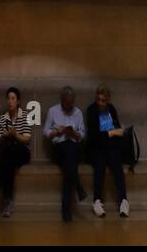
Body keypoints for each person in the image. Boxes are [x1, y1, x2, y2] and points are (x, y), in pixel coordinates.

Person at [86, 85, 130, 217]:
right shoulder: (92, 110)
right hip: (96, 148)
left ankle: (123, 200)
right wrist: (113, 132)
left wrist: (116, 130)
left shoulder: (110, 109)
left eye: (103, 100)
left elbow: (110, 130)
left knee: (117, 166)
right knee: (100, 165)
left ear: (108, 100)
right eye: (99, 100)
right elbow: (96, 136)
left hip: (110, 147)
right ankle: (97, 200)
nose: (101, 103)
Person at [44, 86, 87, 221]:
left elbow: (83, 135)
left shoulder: (78, 112)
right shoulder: (53, 111)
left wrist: (73, 133)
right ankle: (78, 187)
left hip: (74, 148)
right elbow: (45, 132)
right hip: (58, 149)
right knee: (70, 159)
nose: (69, 106)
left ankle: (66, 210)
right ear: (62, 100)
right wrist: (58, 132)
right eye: (66, 103)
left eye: (71, 103)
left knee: (70, 159)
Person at [0, 87, 32, 217]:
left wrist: (15, 134)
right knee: (9, 163)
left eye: (13, 98)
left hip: (23, 152)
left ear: (18, 101)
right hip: (8, 153)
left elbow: (27, 139)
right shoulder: (3, 118)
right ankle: (8, 203)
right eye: (8, 98)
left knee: (12, 150)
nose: (10, 101)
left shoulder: (24, 115)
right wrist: (5, 135)